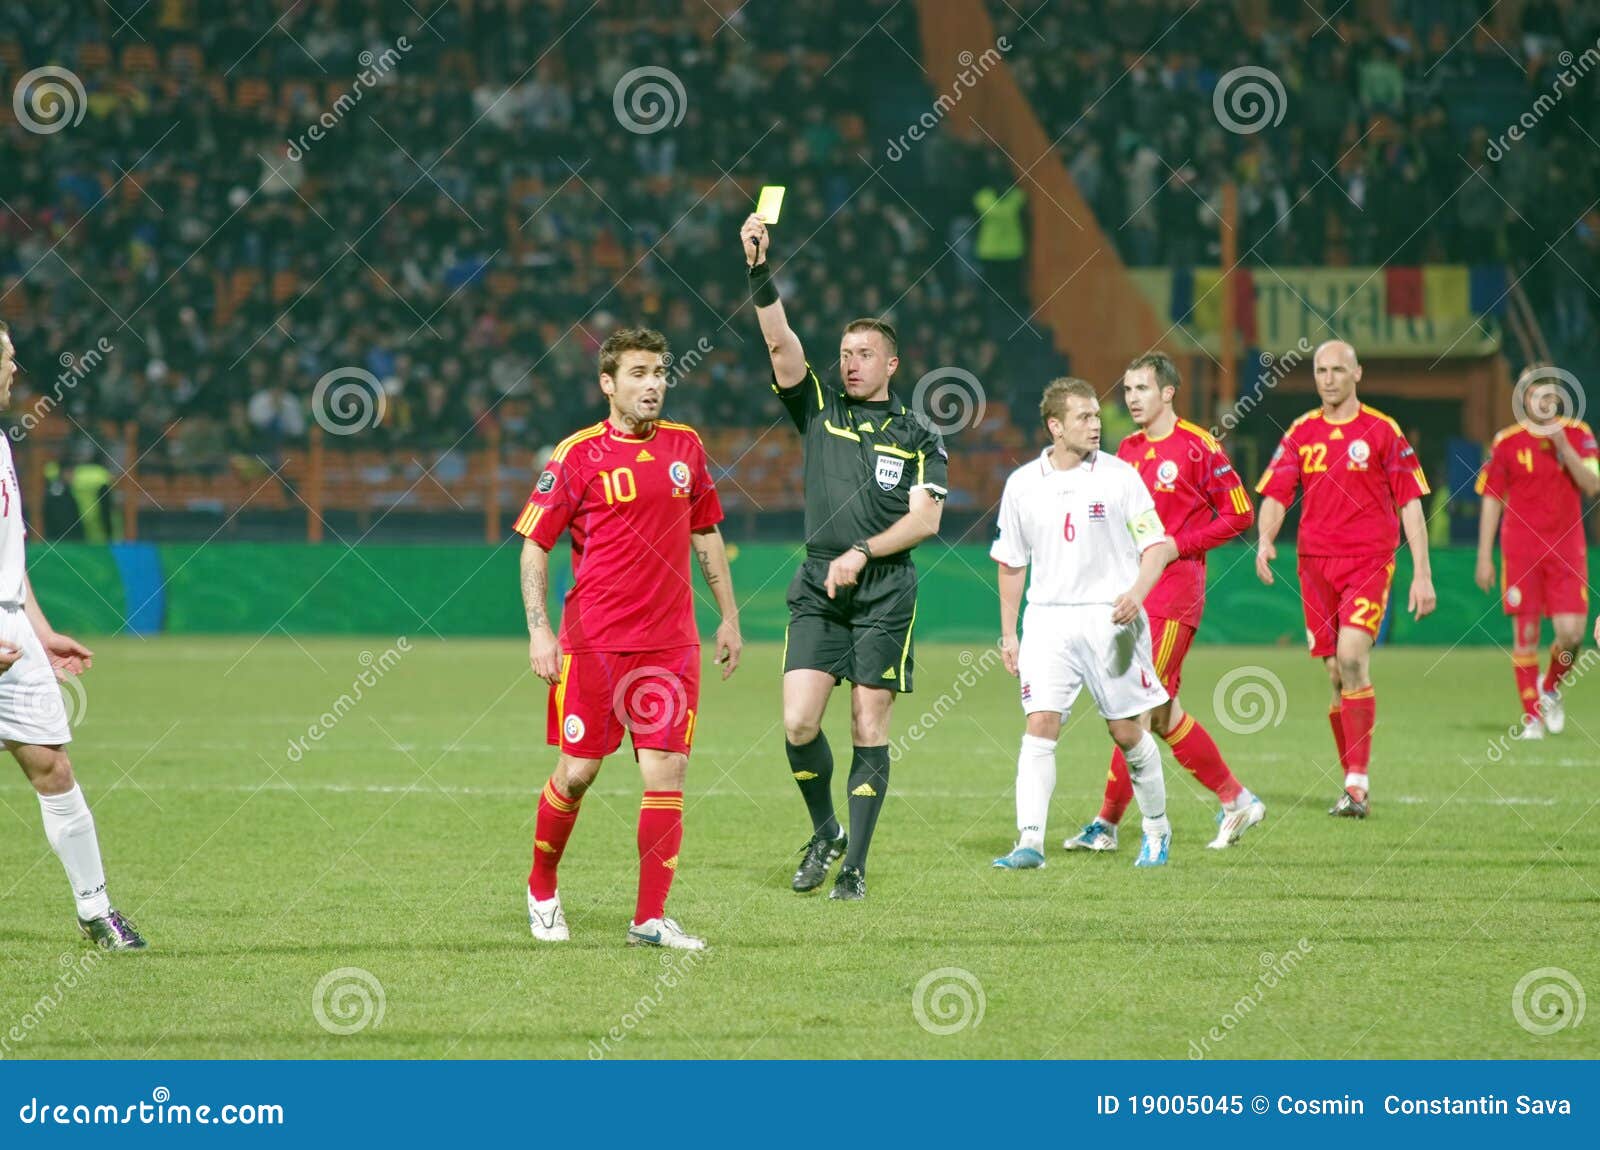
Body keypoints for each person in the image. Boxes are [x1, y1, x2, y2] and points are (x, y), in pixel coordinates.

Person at [740, 212, 948, 901]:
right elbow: (779, 342)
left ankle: (854, 866)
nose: (849, 362)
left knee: (867, 723)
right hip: (818, 583)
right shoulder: (819, 409)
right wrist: (759, 271)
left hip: (885, 590)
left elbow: (925, 519)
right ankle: (824, 830)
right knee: (799, 721)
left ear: (891, 364)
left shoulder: (919, 434)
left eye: (863, 353)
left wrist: (863, 550)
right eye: (844, 352)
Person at [517, 327, 741, 950]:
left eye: (660, 372)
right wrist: (539, 630)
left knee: (667, 772)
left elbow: (706, 531)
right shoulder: (577, 455)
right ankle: (541, 886)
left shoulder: (686, 446)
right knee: (577, 772)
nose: (653, 385)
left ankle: (649, 918)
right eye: (639, 374)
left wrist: (728, 615)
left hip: (670, 643)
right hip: (594, 643)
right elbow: (535, 545)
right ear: (608, 384)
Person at [1064, 353, 1265, 854]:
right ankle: (1237, 799)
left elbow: (1241, 514)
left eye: (1143, 389)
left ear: (1168, 392)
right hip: (1133, 592)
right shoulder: (1127, 449)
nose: (1132, 398)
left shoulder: (1199, 446)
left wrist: (1180, 544)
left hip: (1174, 594)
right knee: (1160, 712)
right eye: (1128, 389)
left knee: (1134, 707)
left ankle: (1107, 824)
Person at [991, 378, 1179, 870]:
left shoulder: (1120, 477)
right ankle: (1030, 843)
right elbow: (1011, 562)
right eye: (1084, 417)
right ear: (1055, 426)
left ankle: (1157, 828)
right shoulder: (1022, 484)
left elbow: (1156, 545)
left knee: (1125, 731)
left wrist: (1136, 594)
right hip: (1047, 620)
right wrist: (1009, 633)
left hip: (1109, 617)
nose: (1096, 424)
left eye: (1097, 415)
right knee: (1040, 724)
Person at [0, 322, 145, 950]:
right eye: (6, 357)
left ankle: (97, 910)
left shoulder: (1, 442)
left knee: (53, 766)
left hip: (12, 627)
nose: (15, 367)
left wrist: (41, 629)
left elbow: (9, 553)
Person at [1255, 340, 1437, 818]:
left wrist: (1422, 573)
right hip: (1315, 564)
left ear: (1358, 373)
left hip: (1368, 561)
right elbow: (1275, 493)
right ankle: (1352, 785)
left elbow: (1410, 501)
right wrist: (1265, 539)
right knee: (1336, 674)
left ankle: (1357, 783)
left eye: (1338, 369)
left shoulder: (1382, 430)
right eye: (1320, 370)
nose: (1328, 378)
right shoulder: (1302, 431)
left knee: (1352, 656)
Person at [1474, 366, 1597, 739]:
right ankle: (1532, 717)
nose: (1543, 401)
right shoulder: (1506, 442)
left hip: (1567, 548)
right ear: (1523, 399)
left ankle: (1551, 687)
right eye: (1534, 394)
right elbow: (1492, 499)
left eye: (1549, 394)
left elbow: (1592, 485)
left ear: (1558, 397)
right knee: (1524, 634)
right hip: (1521, 550)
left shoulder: (1579, 434)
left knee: (1571, 635)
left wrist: (1563, 448)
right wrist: (1484, 555)